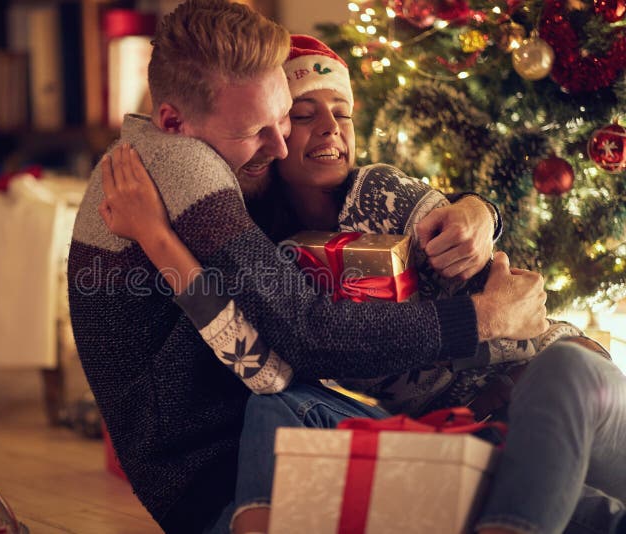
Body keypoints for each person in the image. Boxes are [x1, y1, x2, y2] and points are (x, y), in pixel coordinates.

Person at [96, 29, 626, 534]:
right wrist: (155, 235)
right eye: (302, 115)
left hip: (554, 388)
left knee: (564, 366)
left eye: (343, 113)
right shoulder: (268, 249)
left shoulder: (380, 193)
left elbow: (512, 291)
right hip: (465, 433)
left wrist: (480, 214)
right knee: (278, 406)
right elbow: (270, 360)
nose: (330, 127)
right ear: (274, 134)